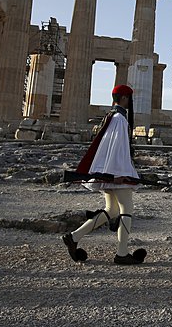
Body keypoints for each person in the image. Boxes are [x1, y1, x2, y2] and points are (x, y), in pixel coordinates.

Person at [62, 84, 147, 265]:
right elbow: (118, 150)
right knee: (126, 209)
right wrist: (119, 174)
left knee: (112, 210)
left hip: (109, 171)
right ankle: (122, 253)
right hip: (116, 172)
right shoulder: (120, 119)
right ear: (124, 98)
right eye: (129, 99)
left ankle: (74, 236)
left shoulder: (112, 116)